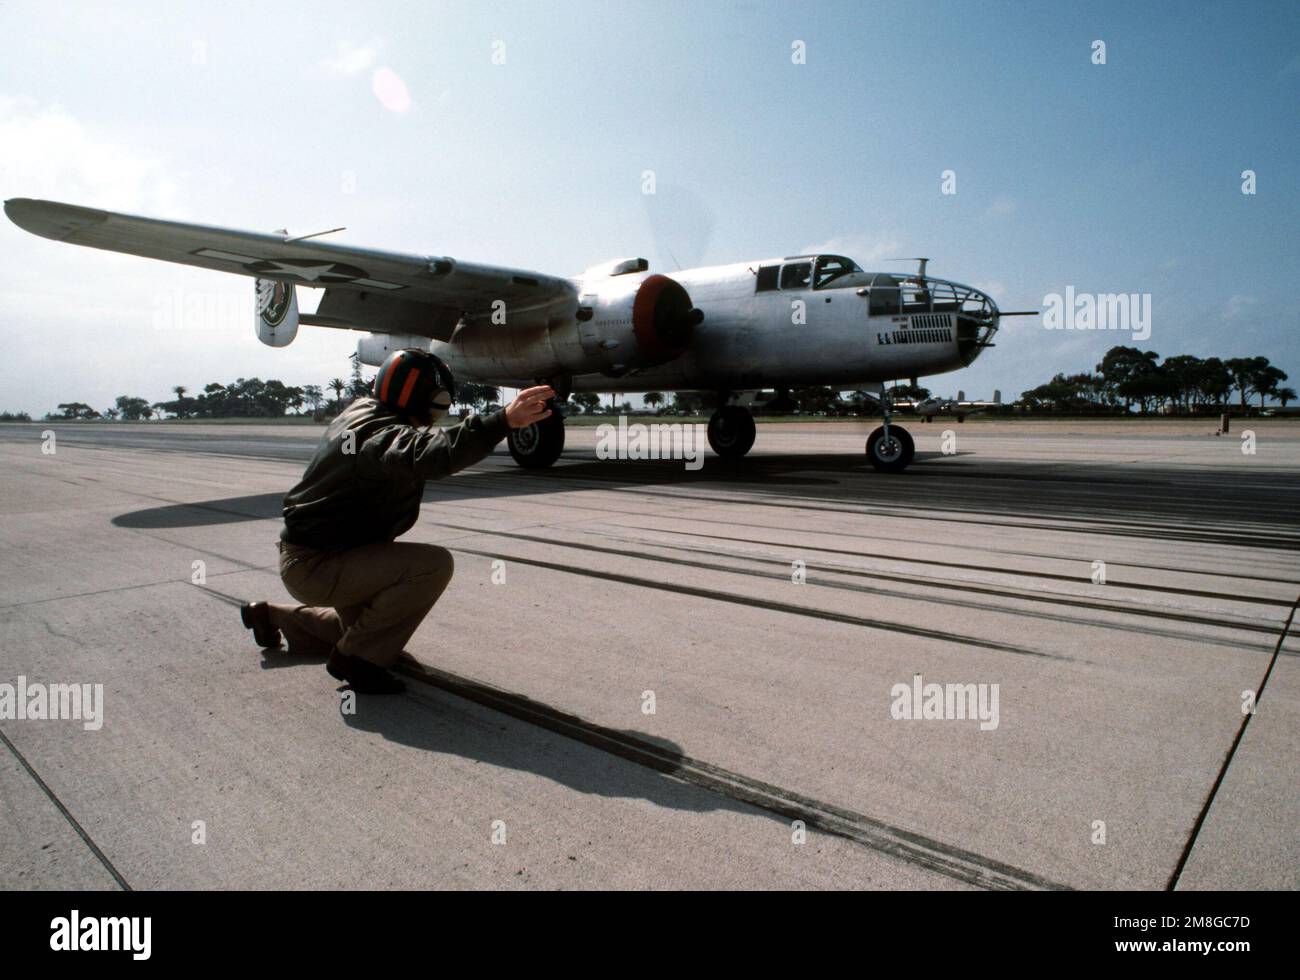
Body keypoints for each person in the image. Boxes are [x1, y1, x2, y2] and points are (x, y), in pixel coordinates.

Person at [240, 348, 554, 694]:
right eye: (439, 402)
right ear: (424, 400)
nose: (440, 412)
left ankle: (270, 616)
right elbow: (426, 454)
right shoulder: (378, 435)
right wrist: (502, 421)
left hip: (323, 555)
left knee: (368, 625)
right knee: (432, 565)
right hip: (320, 563)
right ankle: (357, 660)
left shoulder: (361, 413)